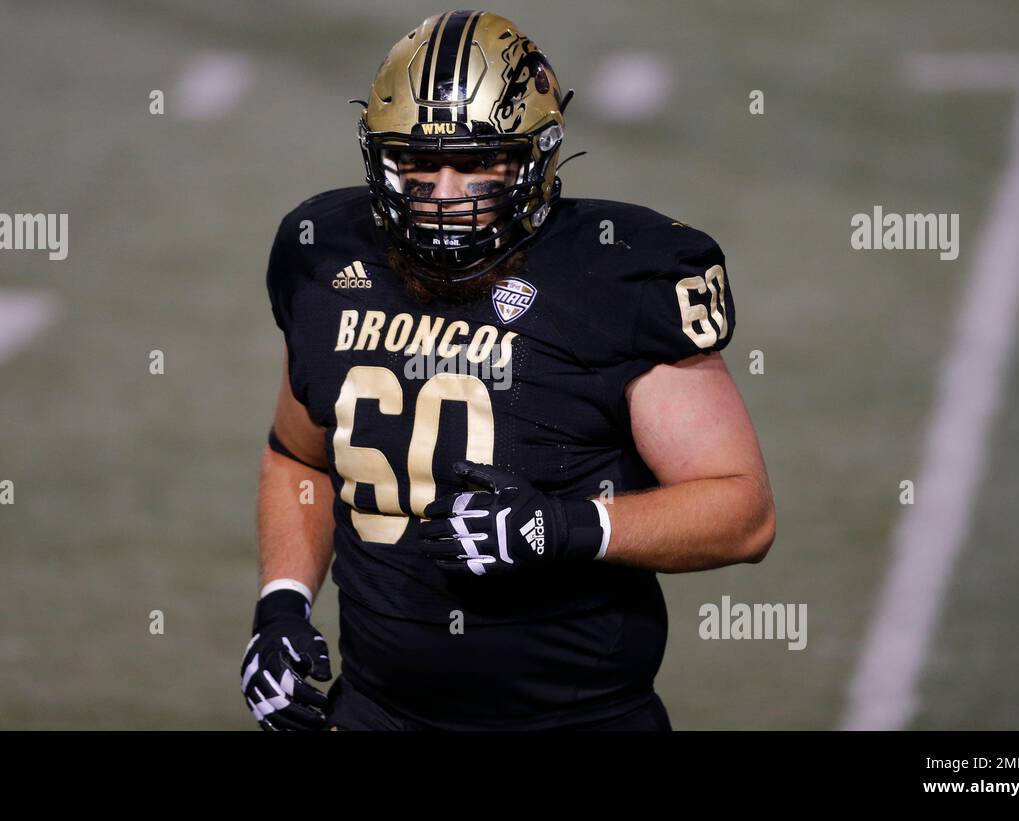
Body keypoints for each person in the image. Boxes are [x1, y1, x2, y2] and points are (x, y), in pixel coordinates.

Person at [242, 9, 775, 731]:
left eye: (477, 163)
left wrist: (560, 527)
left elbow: (742, 514)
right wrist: (280, 604)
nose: (446, 193)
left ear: (537, 157)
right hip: (377, 714)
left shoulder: (616, 276)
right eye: (420, 163)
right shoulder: (328, 254)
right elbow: (296, 456)